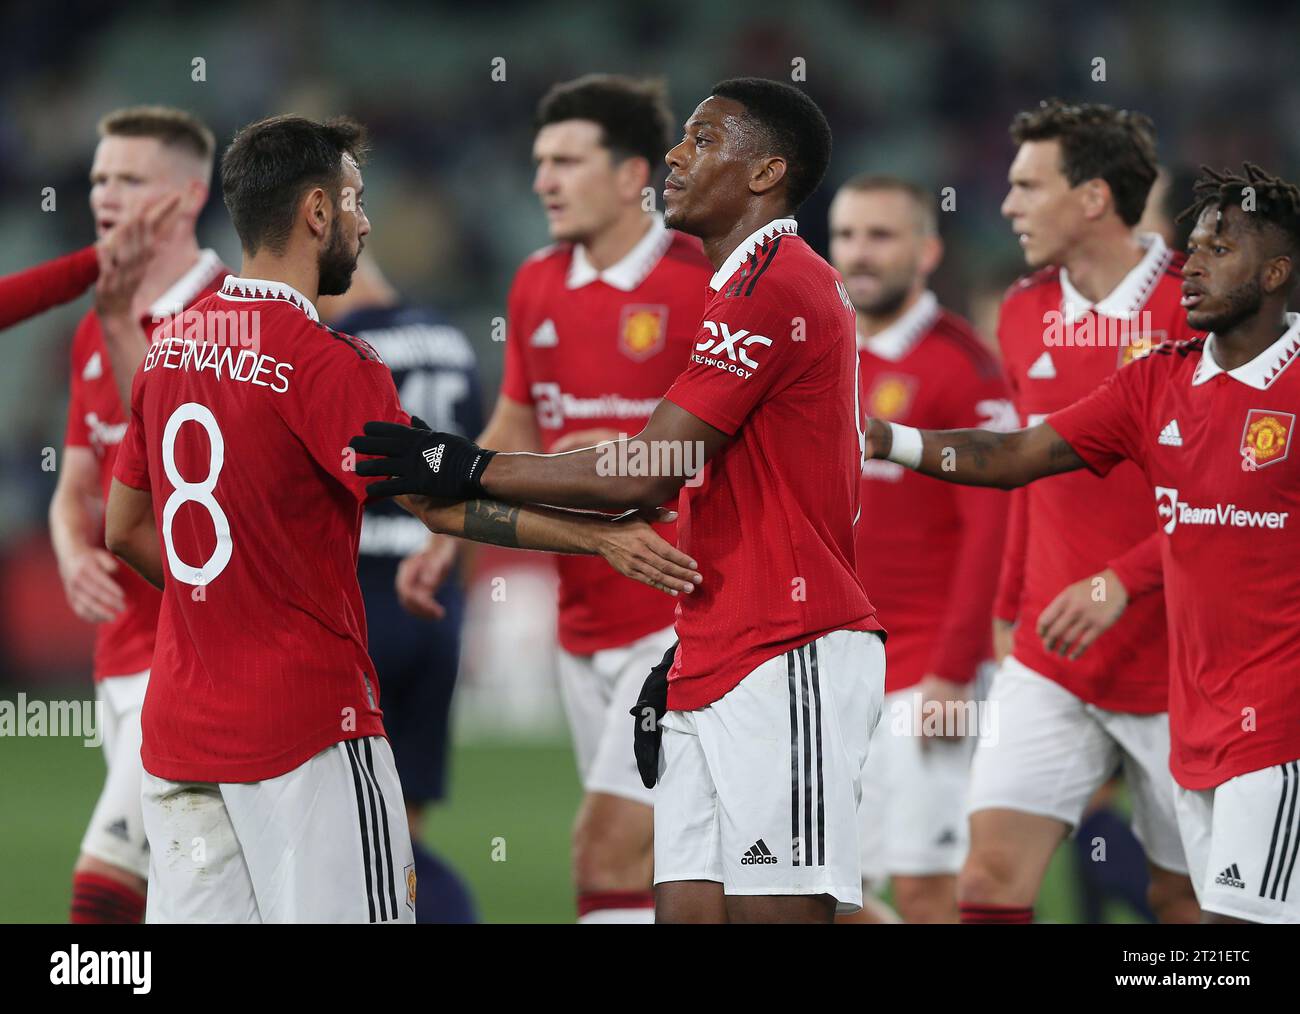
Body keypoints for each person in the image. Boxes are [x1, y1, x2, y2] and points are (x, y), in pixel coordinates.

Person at [103, 113, 699, 923]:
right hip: (307, 730)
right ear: (316, 213)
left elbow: (124, 529)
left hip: (179, 737)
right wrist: (599, 537)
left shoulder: (169, 347)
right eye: (354, 199)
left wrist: (227, 602)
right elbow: (438, 502)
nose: (365, 219)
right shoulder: (326, 363)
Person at [352, 78, 885, 925]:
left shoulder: (773, 285)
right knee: (680, 910)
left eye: (705, 140)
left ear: (765, 173)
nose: (678, 155)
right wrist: (449, 496)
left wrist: (464, 465)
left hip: (788, 647)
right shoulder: (734, 285)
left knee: (757, 907)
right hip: (706, 639)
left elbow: (646, 471)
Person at [864, 162, 1300, 924]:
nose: (1190, 265)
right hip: (1195, 721)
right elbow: (1013, 456)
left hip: (1279, 730)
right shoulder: (1155, 382)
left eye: (1219, 250)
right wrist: (882, 437)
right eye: (1191, 245)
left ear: (1275, 272)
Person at [398, 74, 712, 923]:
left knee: (605, 849)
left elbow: (743, 441)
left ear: (629, 176)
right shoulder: (536, 282)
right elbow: (511, 423)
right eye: (539, 161)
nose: (542, 179)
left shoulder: (705, 278)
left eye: (566, 161)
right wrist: (447, 539)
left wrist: (619, 460)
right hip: (584, 619)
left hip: (682, 608)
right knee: (695, 868)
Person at [963, 99, 1200, 924]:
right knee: (990, 874)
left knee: (1183, 898)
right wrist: (1005, 606)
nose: (1007, 205)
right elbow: (1032, 469)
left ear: (1093, 198)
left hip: (1184, 662)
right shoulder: (1025, 312)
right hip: (1049, 654)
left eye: (1029, 185)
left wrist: (1121, 582)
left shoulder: (1200, 310)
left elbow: (1228, 501)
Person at [49, 105, 224, 923]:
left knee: (103, 889)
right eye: (96, 178)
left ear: (187, 197)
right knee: (181, 895)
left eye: (128, 178)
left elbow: (177, 457)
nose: (104, 194)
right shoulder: (98, 321)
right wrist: (69, 548)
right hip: (118, 653)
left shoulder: (229, 319)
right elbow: (78, 475)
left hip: (192, 651)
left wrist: (123, 325)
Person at [828, 175, 1011, 923]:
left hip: (926, 674)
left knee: (931, 884)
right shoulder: (820, 354)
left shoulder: (962, 368)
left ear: (927, 251)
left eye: (881, 236)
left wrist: (952, 671)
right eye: (845, 237)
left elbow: (992, 529)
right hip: (836, 669)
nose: (859, 255)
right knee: (829, 891)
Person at [318, 254, 482, 923]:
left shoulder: (340, 350)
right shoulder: (453, 340)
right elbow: (470, 469)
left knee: (336, 834)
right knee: (403, 832)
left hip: (359, 605)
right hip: (436, 603)